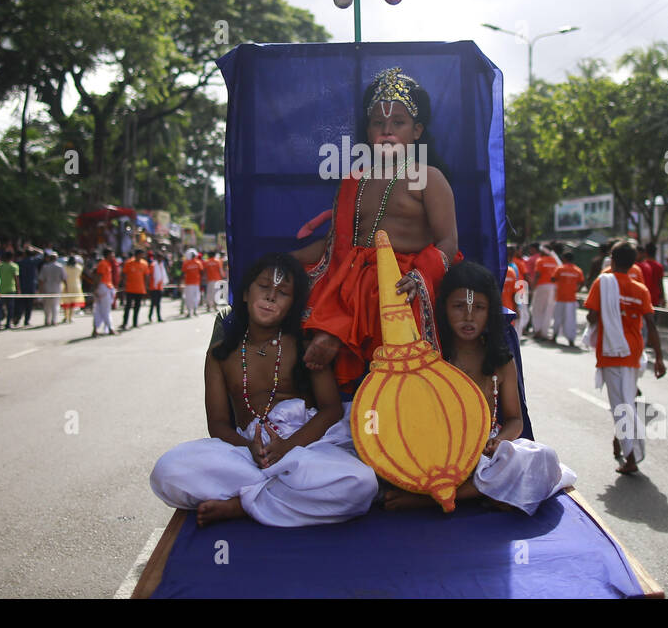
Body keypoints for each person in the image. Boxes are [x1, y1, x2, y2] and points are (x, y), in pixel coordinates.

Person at [149, 253, 378, 527]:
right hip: (247, 452)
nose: (271, 297)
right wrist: (251, 448)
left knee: (361, 484)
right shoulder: (220, 355)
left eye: (282, 292)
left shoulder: (304, 346)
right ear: (246, 293)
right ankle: (278, 493)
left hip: (305, 446)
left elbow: (330, 410)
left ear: (292, 304)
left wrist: (288, 448)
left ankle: (243, 504)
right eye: (264, 287)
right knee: (167, 472)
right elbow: (219, 425)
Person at [296, 67, 459, 393]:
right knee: (282, 294)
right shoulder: (353, 179)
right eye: (377, 123)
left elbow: (448, 241)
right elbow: (334, 246)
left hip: (402, 281)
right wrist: (281, 262)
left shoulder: (426, 175)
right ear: (368, 131)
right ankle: (330, 414)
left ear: (417, 131)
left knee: (382, 293)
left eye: (397, 123)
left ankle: (338, 337)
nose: (387, 131)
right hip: (350, 276)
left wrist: (419, 277)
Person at [383, 262, 576, 512]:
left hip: (486, 454)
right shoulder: (429, 356)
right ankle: (481, 493)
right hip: (437, 453)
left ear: (490, 313)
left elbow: (515, 419)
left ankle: (437, 498)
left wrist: (499, 442)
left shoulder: (502, 361)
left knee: (544, 458)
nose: (469, 316)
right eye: (459, 306)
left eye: (479, 308)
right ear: (444, 308)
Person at [584, 242, 666, 474]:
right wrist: (659, 358)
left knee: (621, 407)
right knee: (625, 403)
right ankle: (621, 441)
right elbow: (651, 325)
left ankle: (632, 457)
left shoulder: (603, 282)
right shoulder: (640, 289)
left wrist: (606, 314)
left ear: (612, 259)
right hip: (634, 354)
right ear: (633, 263)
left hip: (611, 353)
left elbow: (591, 317)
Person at [551, 251, 586, 347]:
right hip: (571, 299)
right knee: (571, 320)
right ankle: (571, 340)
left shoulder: (560, 268)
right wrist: (576, 289)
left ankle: (554, 336)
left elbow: (553, 279)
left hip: (560, 298)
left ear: (564, 259)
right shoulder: (577, 270)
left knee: (557, 318)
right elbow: (582, 282)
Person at [530, 245, 560, 340]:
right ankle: (544, 332)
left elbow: (538, 275)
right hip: (553, 287)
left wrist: (533, 287)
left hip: (541, 286)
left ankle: (537, 330)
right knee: (548, 310)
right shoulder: (555, 261)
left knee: (537, 309)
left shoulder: (540, 260)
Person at [120, 249, 149, 330]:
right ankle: (125, 323)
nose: (141, 256)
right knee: (128, 307)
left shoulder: (144, 263)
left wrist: (146, 286)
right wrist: (124, 285)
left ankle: (135, 323)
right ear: (136, 255)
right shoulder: (129, 263)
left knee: (137, 307)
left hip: (140, 289)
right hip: (130, 289)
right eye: (140, 255)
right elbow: (124, 275)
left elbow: (146, 275)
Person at [92, 247, 118, 337]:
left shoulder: (107, 264)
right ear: (107, 255)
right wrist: (95, 288)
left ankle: (96, 330)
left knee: (100, 310)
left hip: (106, 287)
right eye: (112, 254)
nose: (113, 256)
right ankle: (110, 328)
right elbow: (99, 276)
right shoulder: (103, 264)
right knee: (104, 310)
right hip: (103, 288)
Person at [15, 246, 41, 327]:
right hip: (31, 286)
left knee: (20, 304)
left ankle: (17, 319)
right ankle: (26, 321)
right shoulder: (34, 261)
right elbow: (42, 253)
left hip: (22, 286)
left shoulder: (20, 262)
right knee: (29, 305)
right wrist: (34, 248)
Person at [38, 251, 66, 326]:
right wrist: (66, 287)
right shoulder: (60, 266)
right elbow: (64, 278)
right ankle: (54, 320)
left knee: (47, 306)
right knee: (55, 305)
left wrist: (40, 289)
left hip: (47, 288)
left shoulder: (45, 267)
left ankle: (47, 320)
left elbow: (41, 279)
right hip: (57, 288)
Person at [0, 249, 19, 331]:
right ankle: (8, 323)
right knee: (10, 308)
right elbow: (16, 278)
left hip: (0, 289)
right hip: (11, 289)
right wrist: (18, 289)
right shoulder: (14, 266)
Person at [639, 242, 665, 308]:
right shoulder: (659, 266)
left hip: (644, 297)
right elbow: (660, 283)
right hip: (655, 297)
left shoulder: (641, 266)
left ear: (645, 252)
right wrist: (662, 297)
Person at [62, 255, 85, 323]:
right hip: (76, 286)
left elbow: (64, 278)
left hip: (67, 285)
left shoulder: (65, 267)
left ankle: (66, 317)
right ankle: (70, 317)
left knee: (66, 302)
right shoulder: (79, 267)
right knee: (72, 303)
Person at [180, 249, 202, 318]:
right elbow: (183, 273)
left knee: (194, 297)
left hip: (194, 283)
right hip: (190, 283)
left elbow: (201, 272)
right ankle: (191, 311)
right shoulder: (187, 263)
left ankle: (193, 311)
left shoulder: (197, 262)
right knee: (191, 298)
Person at [148, 252, 168, 322]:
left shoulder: (161, 265)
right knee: (153, 303)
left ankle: (159, 317)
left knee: (158, 303)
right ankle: (150, 316)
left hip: (160, 287)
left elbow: (163, 276)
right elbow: (149, 275)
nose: (160, 259)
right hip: (153, 287)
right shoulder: (153, 265)